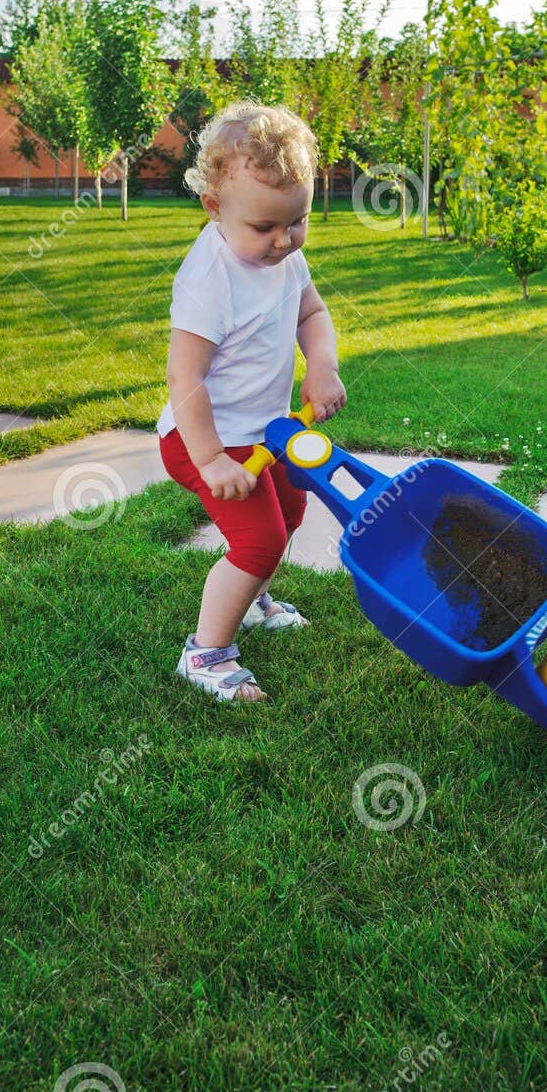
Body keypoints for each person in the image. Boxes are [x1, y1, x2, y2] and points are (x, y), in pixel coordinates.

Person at [157, 100, 346, 702]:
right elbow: (184, 378)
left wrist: (321, 366)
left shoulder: (287, 258)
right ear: (216, 209)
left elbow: (312, 314)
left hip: (267, 433)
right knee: (259, 539)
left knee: (288, 515)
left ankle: (255, 596)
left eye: (297, 221)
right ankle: (206, 653)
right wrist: (212, 460)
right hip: (202, 440)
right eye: (264, 228)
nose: (282, 241)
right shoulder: (208, 277)